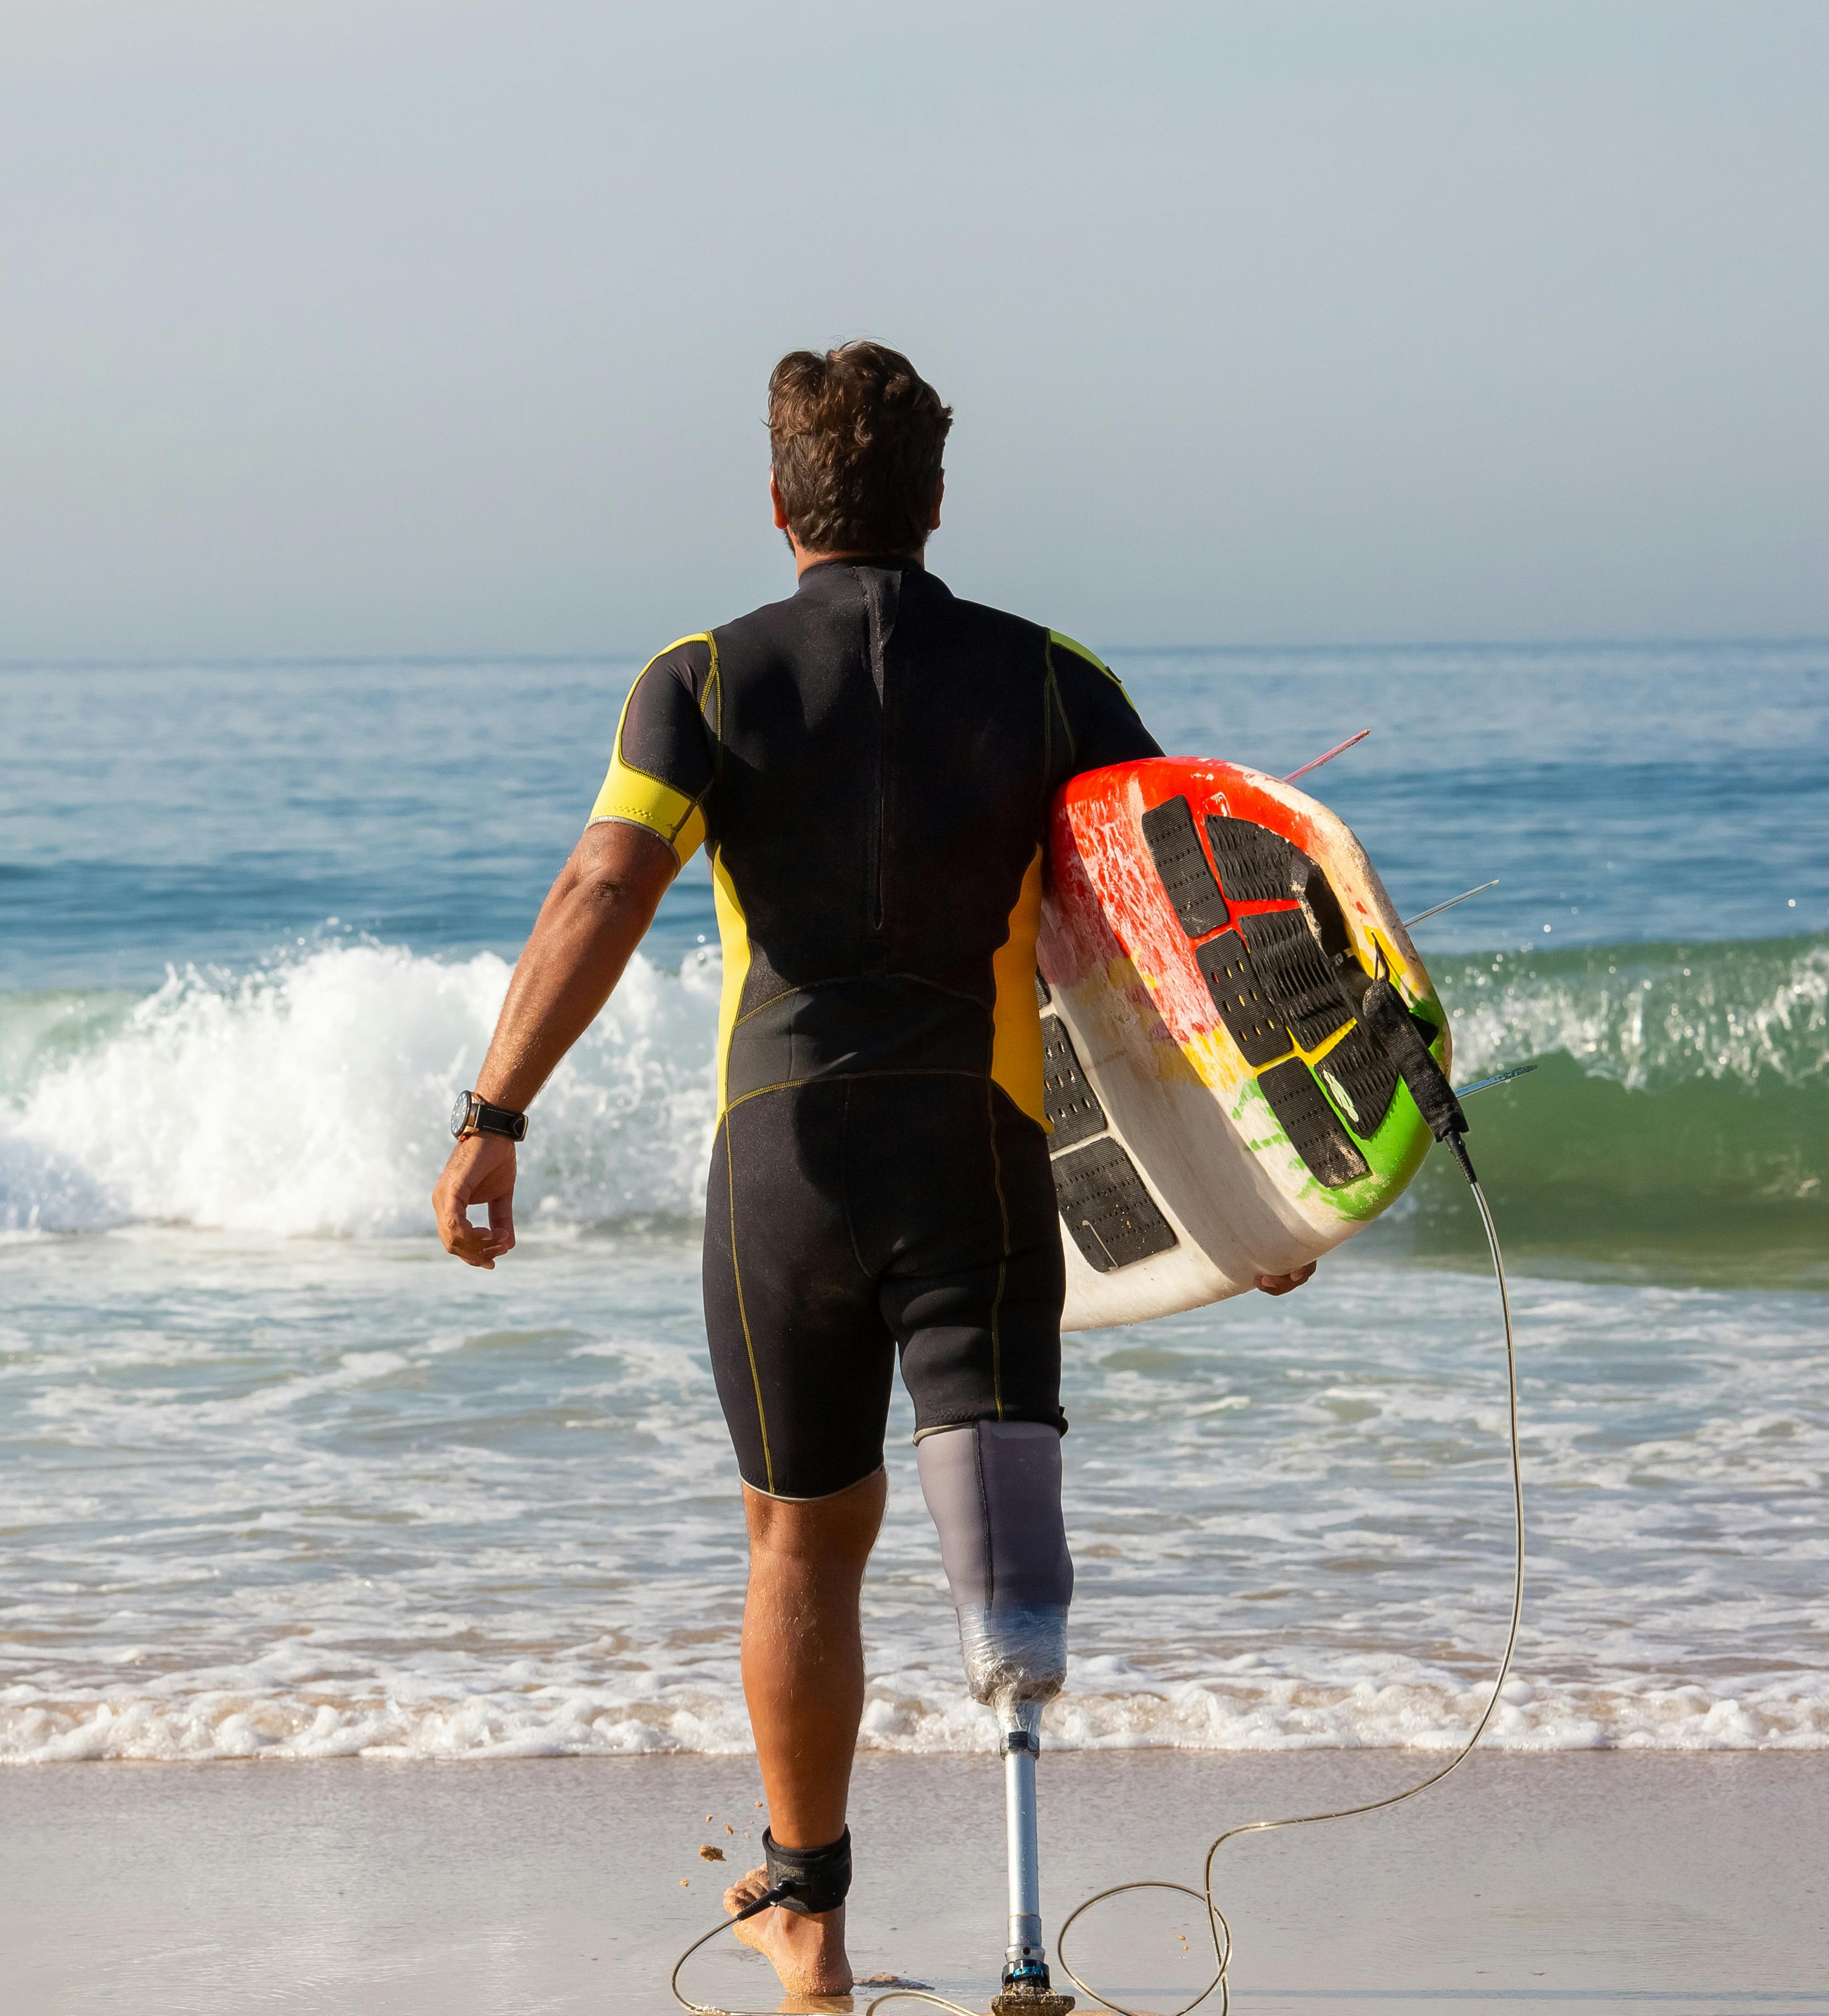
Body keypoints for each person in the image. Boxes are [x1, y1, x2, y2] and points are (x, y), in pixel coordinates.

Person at [429, 341, 1313, 1998]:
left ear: (777, 507)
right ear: (933, 504)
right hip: (973, 1154)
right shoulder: (1048, 678)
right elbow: (1167, 926)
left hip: (786, 1159)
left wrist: (493, 1114)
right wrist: (1253, 1185)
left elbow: (598, 893)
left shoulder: (700, 680)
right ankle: (1028, 1932)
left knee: (799, 1539)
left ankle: (812, 1920)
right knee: (1001, 1511)